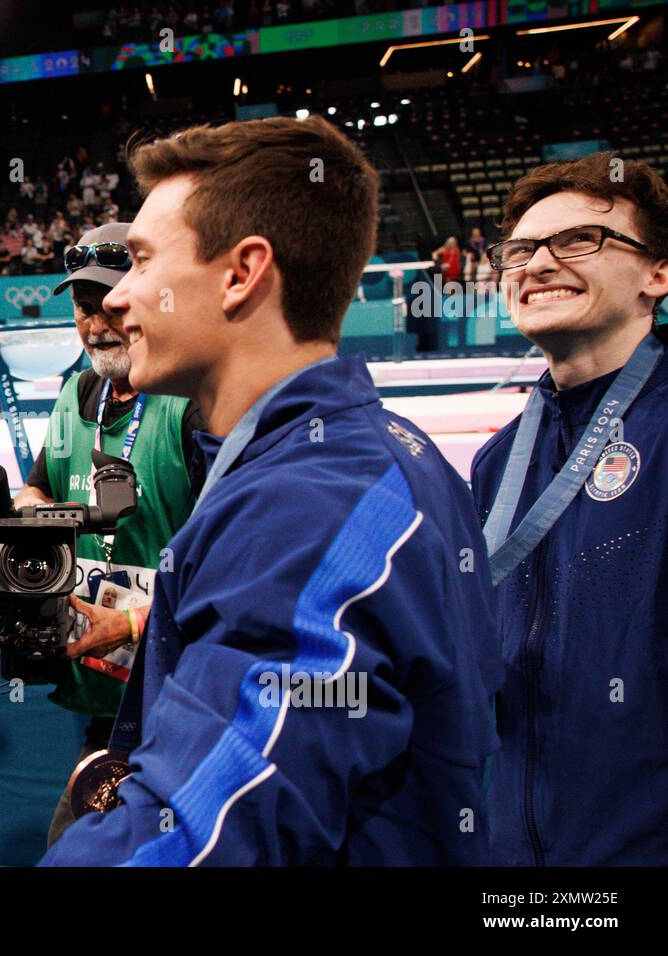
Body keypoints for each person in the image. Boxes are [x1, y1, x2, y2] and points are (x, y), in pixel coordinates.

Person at [41, 116, 502, 867]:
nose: (117, 299)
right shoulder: (367, 459)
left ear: (241, 273)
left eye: (142, 261)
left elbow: (200, 836)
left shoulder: (310, 509)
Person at [471, 152, 668, 865]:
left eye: (580, 240)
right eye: (521, 250)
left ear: (658, 273)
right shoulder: (496, 464)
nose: (539, 263)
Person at [11, 222, 204, 848]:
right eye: (83, 306)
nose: (97, 322)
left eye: (112, 303)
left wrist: (132, 624)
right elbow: (36, 489)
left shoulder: (191, 400)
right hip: (107, 690)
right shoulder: (79, 390)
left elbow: (234, 565)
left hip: (186, 689)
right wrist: (26, 542)